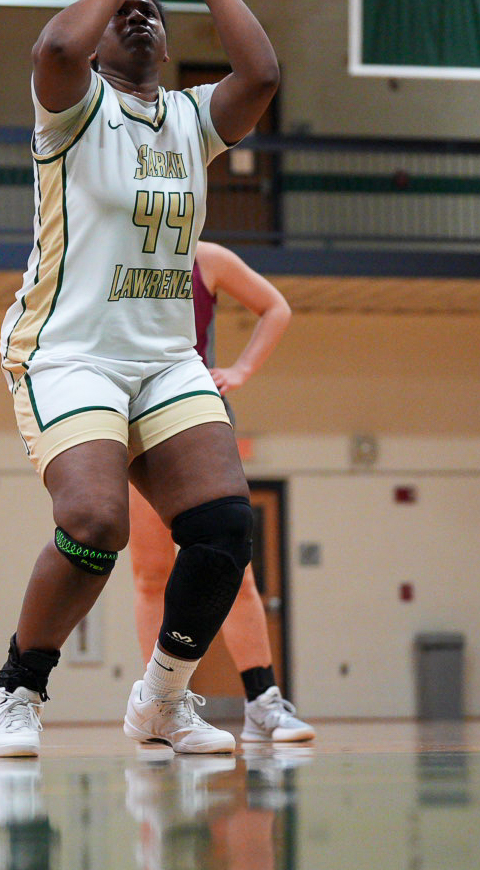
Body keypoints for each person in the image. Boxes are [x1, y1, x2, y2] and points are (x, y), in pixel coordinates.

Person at [0, 0, 280, 757]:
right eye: (126, 12)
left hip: (161, 358)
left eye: (155, 11)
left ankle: (161, 699)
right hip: (68, 352)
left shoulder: (192, 118)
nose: (141, 16)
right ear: (102, 27)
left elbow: (261, 74)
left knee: (225, 528)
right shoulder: (71, 107)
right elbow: (54, 43)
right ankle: (18, 688)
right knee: (96, 524)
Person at [127, 242, 315, 743]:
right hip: (132, 414)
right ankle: (159, 706)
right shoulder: (110, 249)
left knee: (233, 567)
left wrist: (242, 370)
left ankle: (263, 701)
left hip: (194, 415)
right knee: (150, 573)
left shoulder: (207, 258)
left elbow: (276, 306)